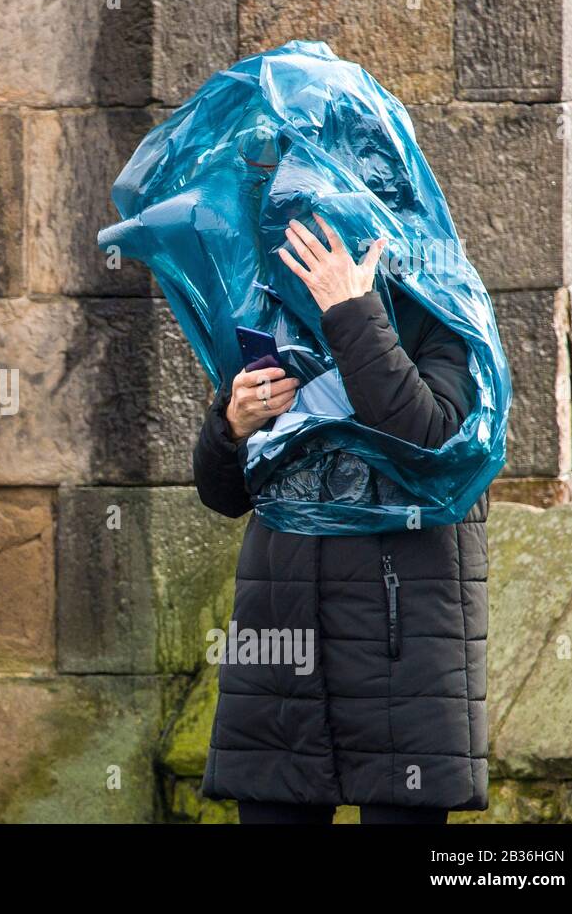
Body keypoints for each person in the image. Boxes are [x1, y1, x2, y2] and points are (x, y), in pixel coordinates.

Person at [193, 215, 487, 824]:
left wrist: (352, 310)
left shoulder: (446, 300)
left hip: (401, 647)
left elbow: (433, 442)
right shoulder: (273, 305)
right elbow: (225, 495)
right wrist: (232, 424)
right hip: (281, 642)